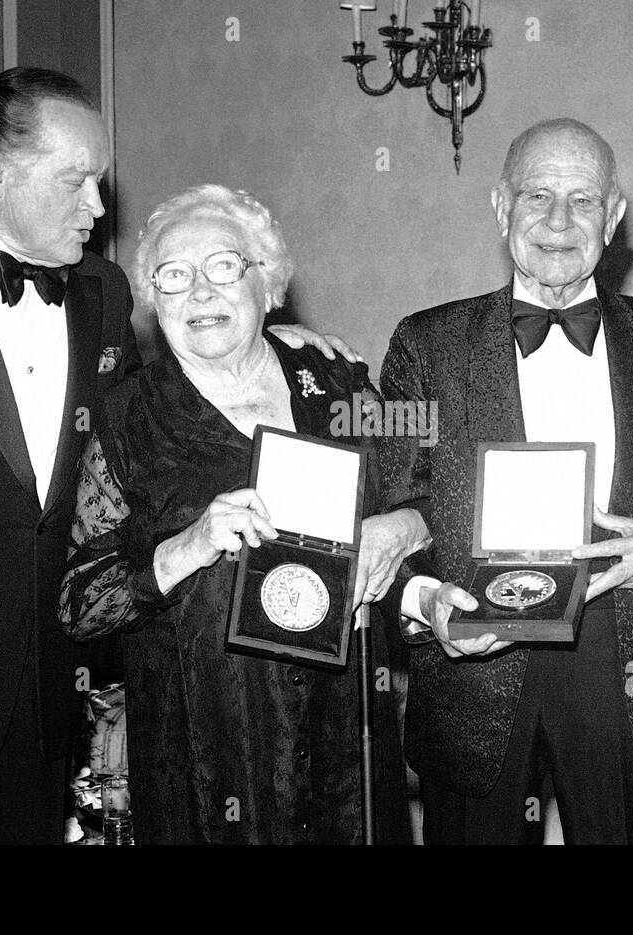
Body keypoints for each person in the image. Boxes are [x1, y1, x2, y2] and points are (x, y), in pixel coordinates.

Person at [0, 68, 349, 845]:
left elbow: (159, 414)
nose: (98, 206)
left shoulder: (104, 290)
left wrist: (272, 339)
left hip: (51, 699)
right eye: (76, 181)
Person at [59, 184, 424, 844]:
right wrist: (184, 547)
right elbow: (81, 603)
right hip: (207, 751)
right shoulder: (125, 419)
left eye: (224, 266)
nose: (199, 293)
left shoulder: (335, 380)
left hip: (346, 732)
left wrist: (401, 526)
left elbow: (424, 492)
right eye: (172, 276)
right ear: (153, 303)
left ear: (268, 284)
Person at [377, 118, 633, 844]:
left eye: (583, 201)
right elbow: (393, 506)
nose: (559, 221)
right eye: (537, 196)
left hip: (627, 660)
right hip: (475, 662)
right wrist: (429, 605)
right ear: (501, 207)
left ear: (613, 217)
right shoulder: (423, 344)